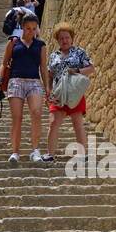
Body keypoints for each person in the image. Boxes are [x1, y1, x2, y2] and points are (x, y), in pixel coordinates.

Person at [0, 12, 48, 163]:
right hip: (15, 81)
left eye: (34, 28)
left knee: (36, 113)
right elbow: (4, 63)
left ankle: (35, 151)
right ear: (22, 26)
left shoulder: (41, 45)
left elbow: (43, 68)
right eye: (28, 28)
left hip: (34, 82)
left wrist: (48, 89)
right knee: (17, 118)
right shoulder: (13, 42)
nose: (31, 31)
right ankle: (15, 152)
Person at [44, 23, 95, 164]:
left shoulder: (79, 52)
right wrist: (48, 90)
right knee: (53, 123)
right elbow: (49, 74)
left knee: (77, 122)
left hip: (74, 92)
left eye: (67, 37)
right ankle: (50, 154)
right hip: (58, 93)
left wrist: (77, 71)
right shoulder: (54, 56)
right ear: (57, 40)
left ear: (71, 38)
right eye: (61, 38)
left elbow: (91, 68)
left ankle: (83, 155)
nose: (64, 40)